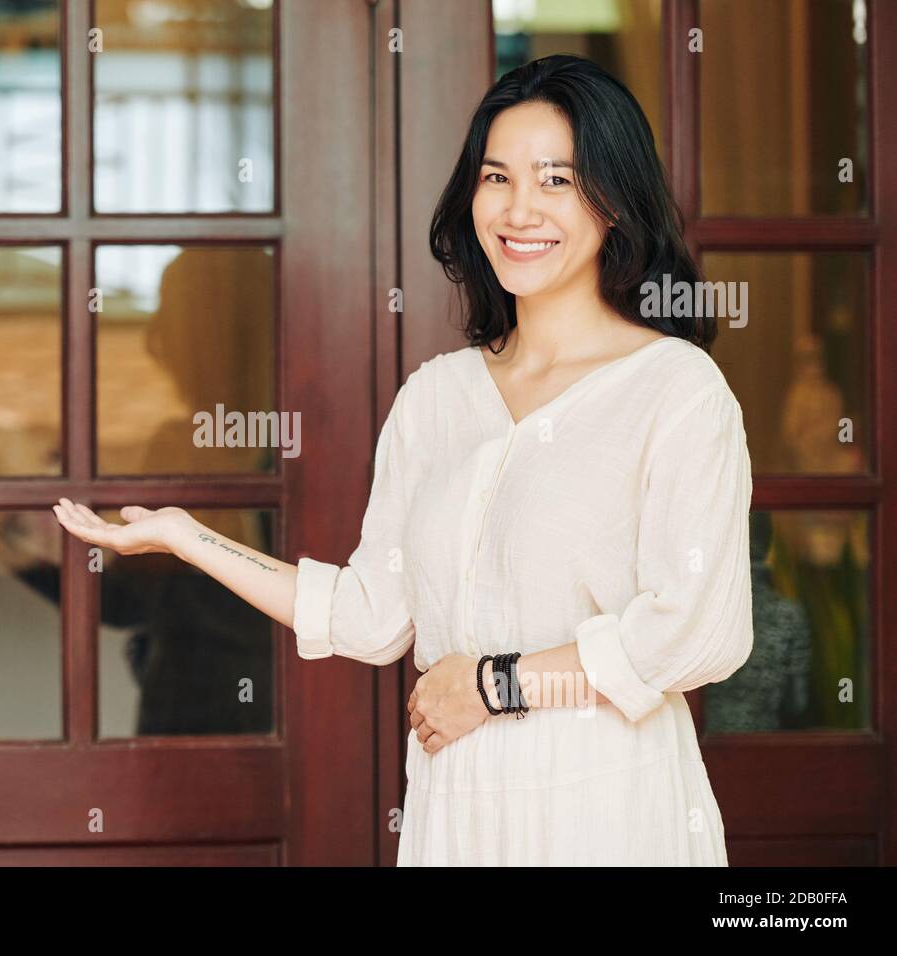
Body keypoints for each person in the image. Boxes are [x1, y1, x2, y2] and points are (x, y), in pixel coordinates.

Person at [52, 54, 755, 865]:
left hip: (606, 804)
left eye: (557, 180)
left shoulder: (674, 390)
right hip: (457, 808)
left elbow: (696, 634)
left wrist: (496, 686)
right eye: (497, 177)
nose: (519, 208)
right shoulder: (437, 396)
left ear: (616, 205)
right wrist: (187, 537)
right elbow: (368, 614)